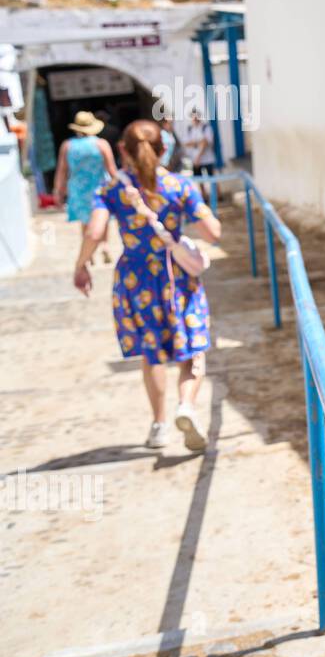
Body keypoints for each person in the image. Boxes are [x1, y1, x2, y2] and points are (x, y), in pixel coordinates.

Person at [73, 120, 221, 450]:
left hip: (136, 278)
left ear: (123, 150)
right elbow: (213, 232)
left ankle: (158, 426)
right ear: (164, 148)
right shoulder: (180, 185)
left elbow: (94, 233)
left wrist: (81, 265)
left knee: (152, 352)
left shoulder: (112, 190)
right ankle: (186, 405)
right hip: (178, 277)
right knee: (192, 348)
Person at [54, 110, 117, 233]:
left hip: (78, 188)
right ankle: (103, 243)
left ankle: (87, 241)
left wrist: (58, 191)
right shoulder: (101, 144)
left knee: (84, 220)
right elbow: (112, 170)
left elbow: (62, 171)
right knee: (102, 216)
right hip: (100, 186)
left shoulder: (68, 145)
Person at [178, 109, 216, 176]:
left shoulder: (206, 128)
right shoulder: (189, 129)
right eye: (193, 117)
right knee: (199, 181)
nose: (194, 118)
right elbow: (185, 143)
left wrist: (198, 157)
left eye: (196, 117)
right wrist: (199, 142)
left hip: (207, 160)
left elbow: (205, 143)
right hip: (194, 160)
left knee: (213, 180)